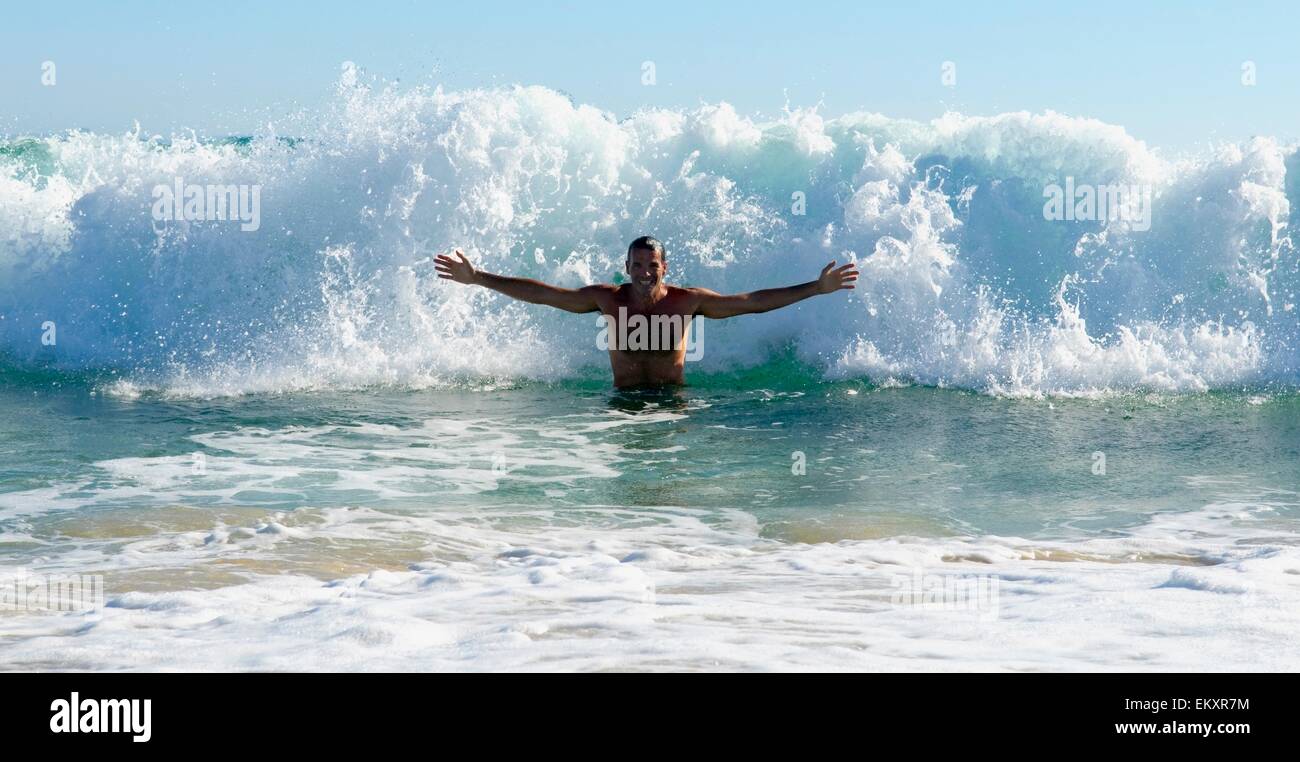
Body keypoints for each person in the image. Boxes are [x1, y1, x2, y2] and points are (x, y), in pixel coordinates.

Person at [436, 236, 858, 388]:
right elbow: (546, 294)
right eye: (637, 265)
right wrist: (479, 278)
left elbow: (752, 303)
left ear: (664, 268)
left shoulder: (687, 301)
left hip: (673, 404)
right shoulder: (607, 299)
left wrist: (816, 289)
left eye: (652, 265)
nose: (644, 272)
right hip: (620, 407)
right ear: (627, 268)